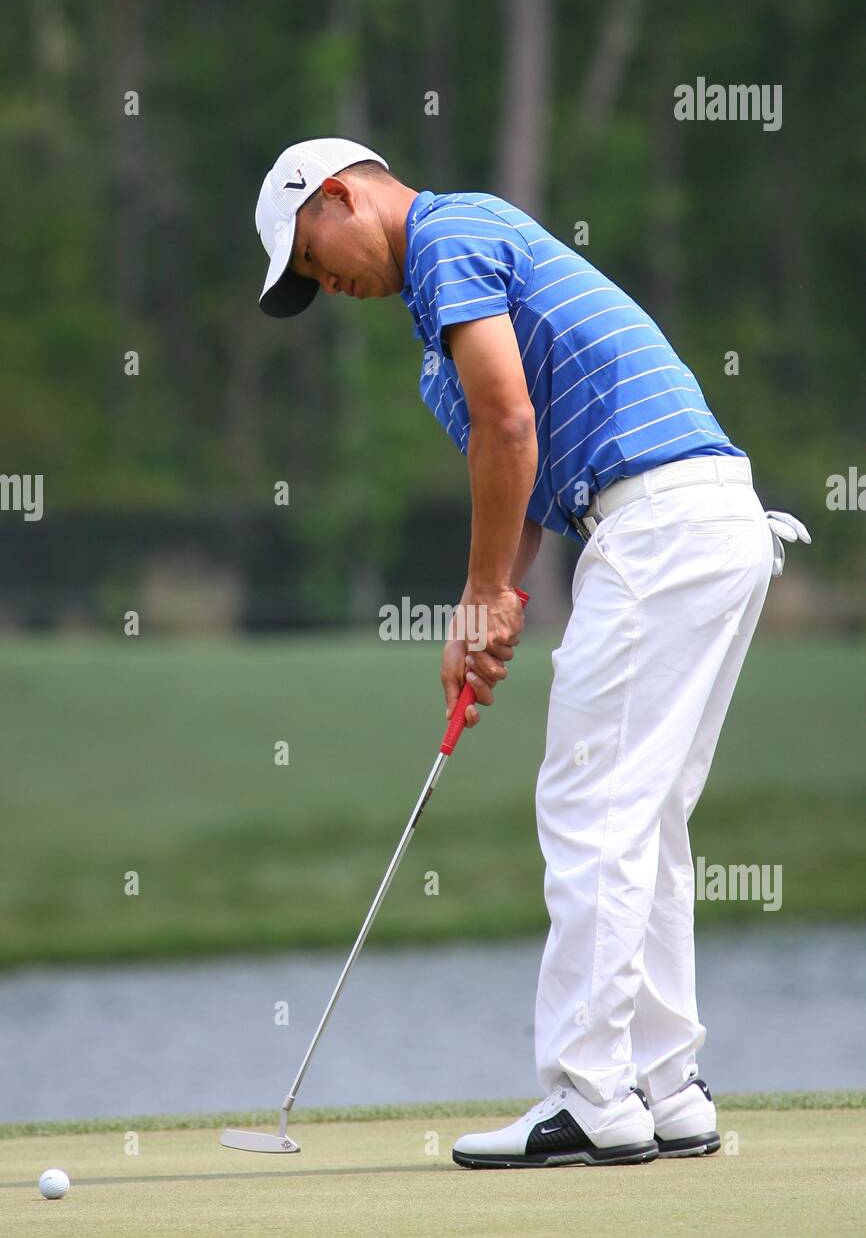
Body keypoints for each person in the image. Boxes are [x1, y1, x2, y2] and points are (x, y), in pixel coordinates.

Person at [254, 137, 810, 1170]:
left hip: (658, 529)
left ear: (336, 194)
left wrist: (475, 597)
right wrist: (496, 603)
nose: (320, 284)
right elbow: (519, 464)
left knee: (588, 805)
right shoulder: (441, 309)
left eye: (309, 256)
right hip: (703, 523)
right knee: (640, 816)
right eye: (304, 284)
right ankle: (663, 1084)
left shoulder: (449, 236)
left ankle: (587, 1094)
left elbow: (509, 426)